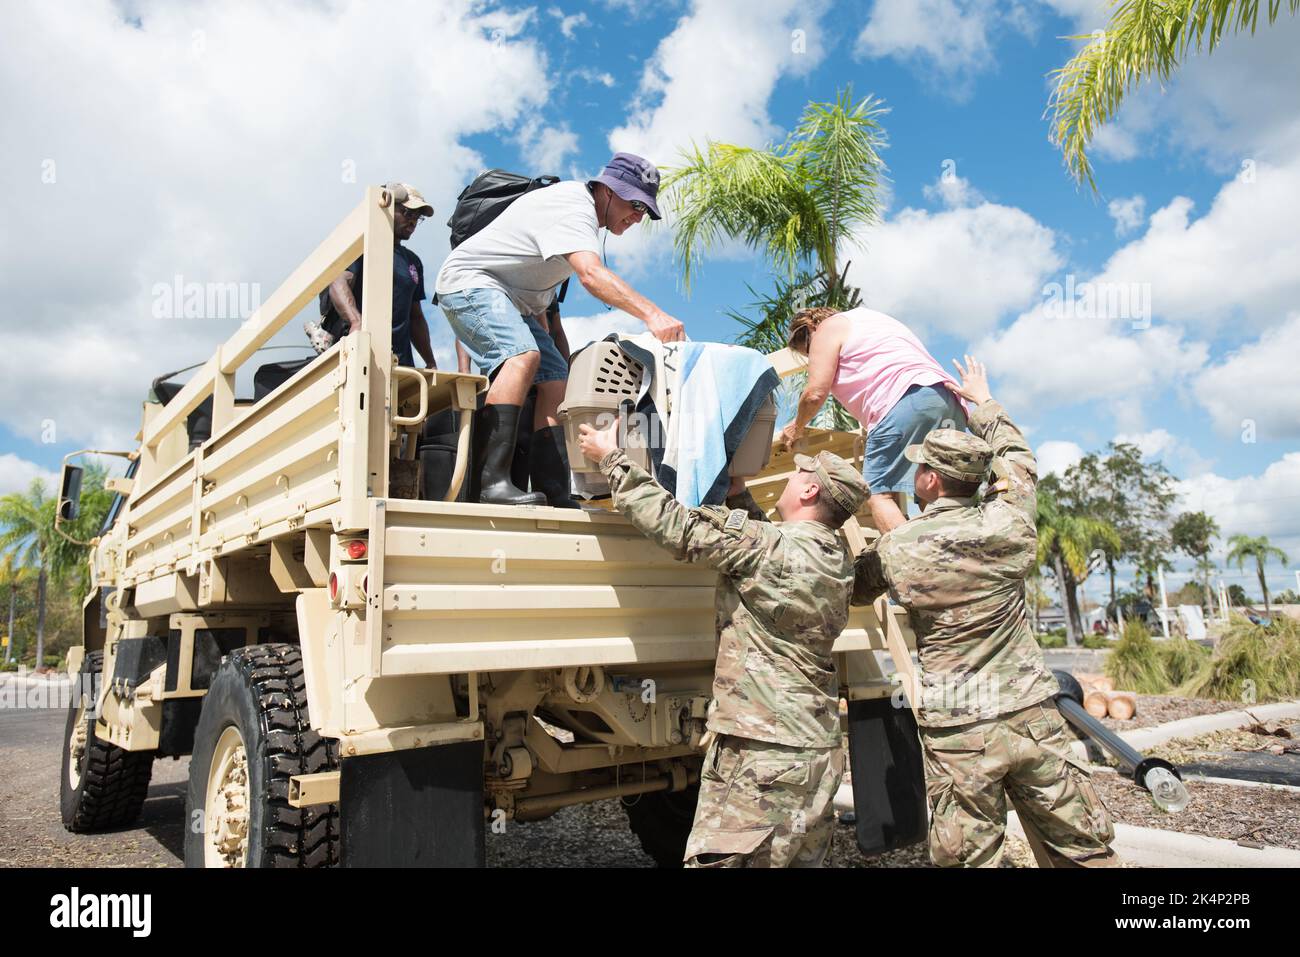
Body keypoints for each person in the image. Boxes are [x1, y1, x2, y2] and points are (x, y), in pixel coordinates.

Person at [851, 356, 1120, 868]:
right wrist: (983, 401)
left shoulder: (899, 548)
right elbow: (1019, 461)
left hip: (959, 727)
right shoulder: (1012, 523)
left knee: (971, 858)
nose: (916, 475)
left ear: (929, 482)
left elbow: (854, 590)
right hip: (1031, 716)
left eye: (920, 468)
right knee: (1083, 846)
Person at [577, 415, 868, 868]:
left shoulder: (765, 546)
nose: (792, 478)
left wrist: (611, 459)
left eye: (798, 475)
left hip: (763, 750)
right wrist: (740, 493)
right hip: (818, 747)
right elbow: (768, 547)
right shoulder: (839, 559)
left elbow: (679, 528)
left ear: (810, 492)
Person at [436, 152, 685, 507]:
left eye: (644, 210)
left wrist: (556, 365)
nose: (637, 216)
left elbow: (538, 306)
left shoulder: (579, 223)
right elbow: (592, 275)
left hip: (512, 301)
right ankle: (490, 485)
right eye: (633, 204)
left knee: (556, 383)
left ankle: (554, 490)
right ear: (608, 190)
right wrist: (653, 315)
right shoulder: (574, 206)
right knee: (522, 356)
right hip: (469, 282)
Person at [780, 306, 967, 533]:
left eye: (809, 351)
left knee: (878, 494)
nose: (813, 356)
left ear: (810, 328)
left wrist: (796, 427)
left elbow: (815, 394)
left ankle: (908, 564)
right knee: (933, 492)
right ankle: (951, 558)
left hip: (901, 401)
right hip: (949, 401)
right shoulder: (871, 320)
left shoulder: (826, 329)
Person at [317, 182, 438, 369]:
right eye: (408, 213)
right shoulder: (362, 246)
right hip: (358, 355)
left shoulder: (413, 261)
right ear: (388, 209)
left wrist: (430, 360)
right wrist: (356, 323)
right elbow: (338, 282)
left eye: (418, 217)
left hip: (399, 363)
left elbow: (415, 317)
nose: (413, 221)